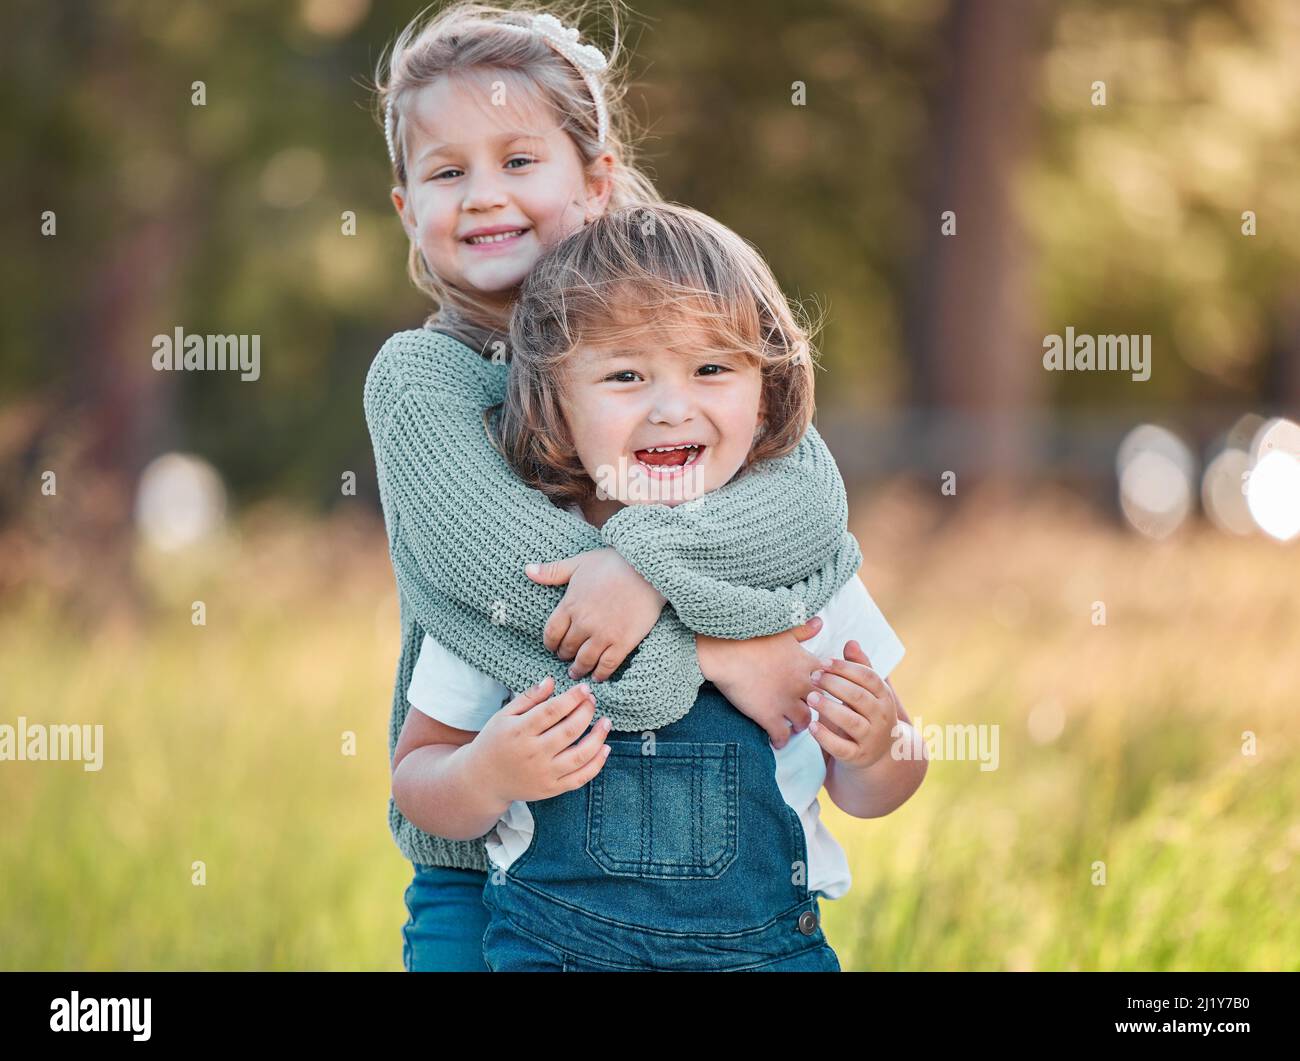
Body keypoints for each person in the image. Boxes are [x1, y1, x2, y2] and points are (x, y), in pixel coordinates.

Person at [366, 1, 874, 971]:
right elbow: (517, 582)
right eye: (446, 171)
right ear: (405, 207)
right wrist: (721, 650)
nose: (482, 195)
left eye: (519, 161)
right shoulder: (420, 379)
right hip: (483, 851)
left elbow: (806, 497)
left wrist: (646, 562)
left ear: (595, 181)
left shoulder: (673, 324)